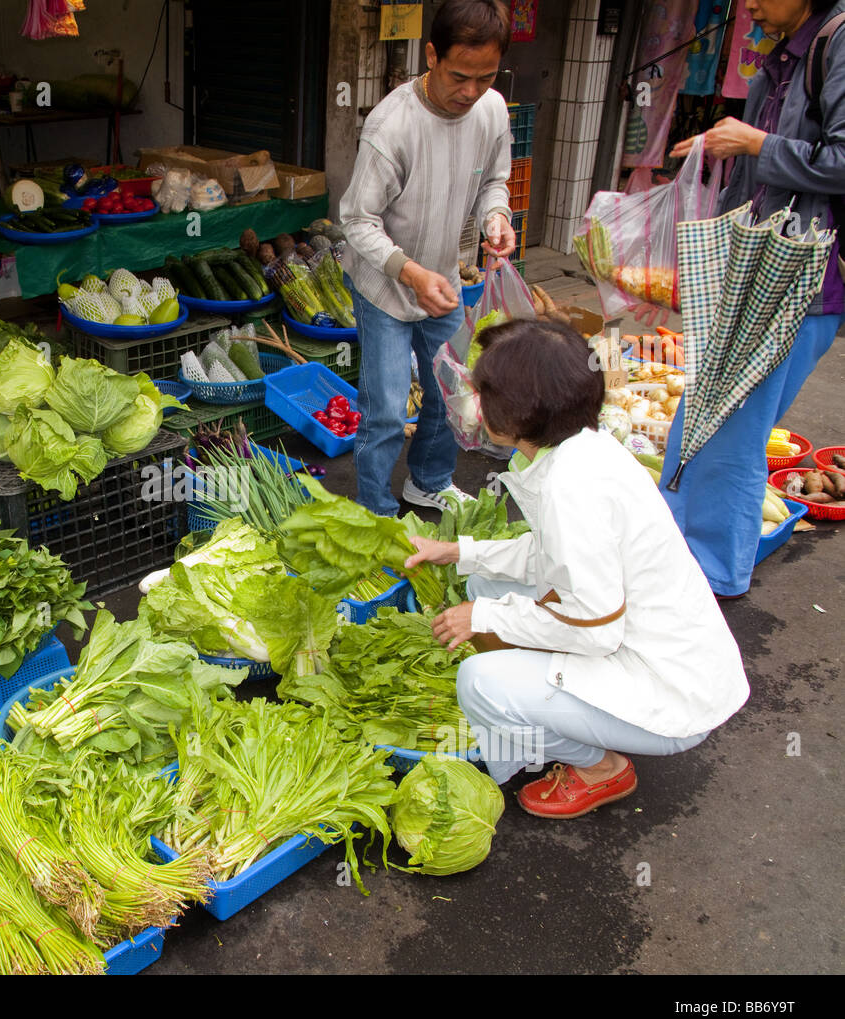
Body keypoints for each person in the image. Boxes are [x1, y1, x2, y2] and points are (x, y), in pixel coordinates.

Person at [404, 319, 749, 818]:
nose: (473, 403)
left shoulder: (573, 485)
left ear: (516, 414)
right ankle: (538, 714)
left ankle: (597, 766)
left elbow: (597, 629)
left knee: (479, 681)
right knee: (481, 582)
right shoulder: (585, 447)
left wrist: (483, 619)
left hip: (669, 693)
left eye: (482, 392)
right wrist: (458, 553)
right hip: (656, 650)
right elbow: (555, 557)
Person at [661, 0, 844, 597]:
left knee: (730, 433)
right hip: (760, 271)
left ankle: (712, 578)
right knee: (704, 424)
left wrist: (756, 144)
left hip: (800, 283)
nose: (749, 6)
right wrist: (731, 150)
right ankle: (676, 561)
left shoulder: (835, 44)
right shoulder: (787, 53)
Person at [339, 0, 517, 516]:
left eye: (484, 78)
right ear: (431, 54)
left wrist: (496, 219)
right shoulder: (391, 126)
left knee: (452, 393)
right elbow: (356, 221)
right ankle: (375, 508)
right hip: (386, 286)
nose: (470, 92)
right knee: (388, 410)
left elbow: (495, 181)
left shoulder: (491, 110)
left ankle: (430, 481)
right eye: (460, 76)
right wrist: (410, 272)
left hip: (441, 282)